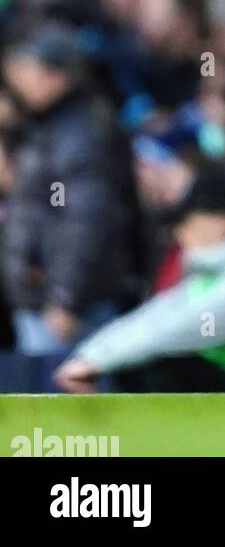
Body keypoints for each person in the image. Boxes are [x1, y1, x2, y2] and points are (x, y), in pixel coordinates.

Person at [52, 167, 225, 393]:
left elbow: (180, 328)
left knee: (155, 365)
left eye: (186, 221)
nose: (179, 233)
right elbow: (154, 315)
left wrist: (96, 362)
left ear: (223, 221)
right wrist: (88, 356)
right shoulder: (217, 274)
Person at [1, 24, 142, 368]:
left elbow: (88, 218)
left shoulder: (78, 132)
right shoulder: (49, 124)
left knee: (72, 415)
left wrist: (66, 299)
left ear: (57, 75)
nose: (17, 77)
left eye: (27, 67)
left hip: (64, 306)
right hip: (43, 299)